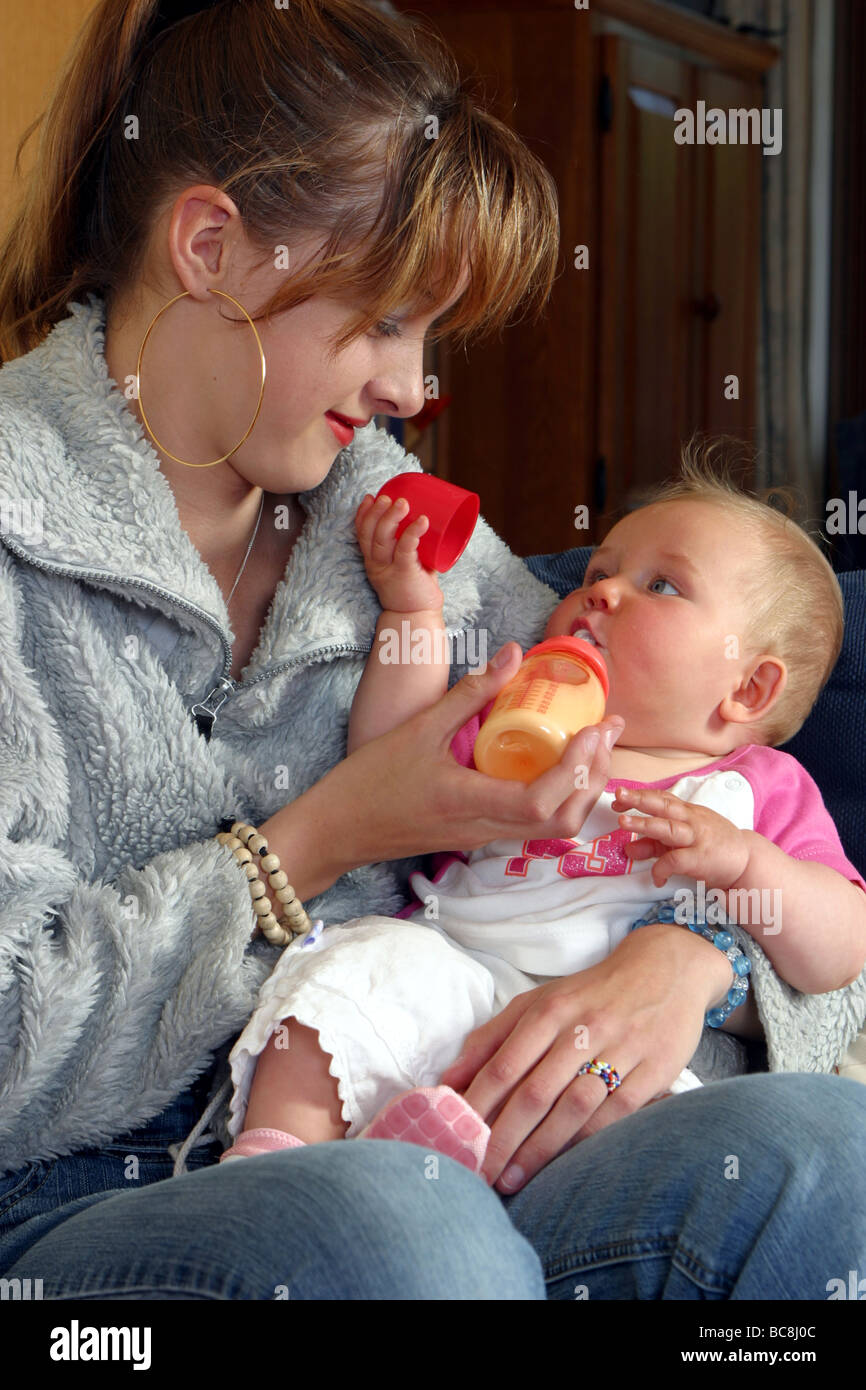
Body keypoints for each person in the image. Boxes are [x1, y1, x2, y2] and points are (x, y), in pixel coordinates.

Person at [0, 0, 864, 1301]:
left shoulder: (409, 535)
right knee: (394, 1236)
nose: (412, 390)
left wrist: (691, 956)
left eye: (428, 336)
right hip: (71, 1208)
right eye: (386, 321)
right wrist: (327, 832)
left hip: (454, 1147)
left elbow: (774, 886)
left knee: (825, 1160)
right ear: (212, 246)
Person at [222, 446, 866, 1176]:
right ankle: (270, 1171)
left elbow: (840, 952)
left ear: (747, 690)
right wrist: (413, 610)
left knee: (679, 1124)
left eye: (661, 585)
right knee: (352, 976)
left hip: (609, 1034)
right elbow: (390, 758)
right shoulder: (516, 722)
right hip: (457, 968)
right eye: (598, 573)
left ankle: (447, 1161)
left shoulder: (758, 788)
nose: (602, 592)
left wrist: (750, 865)